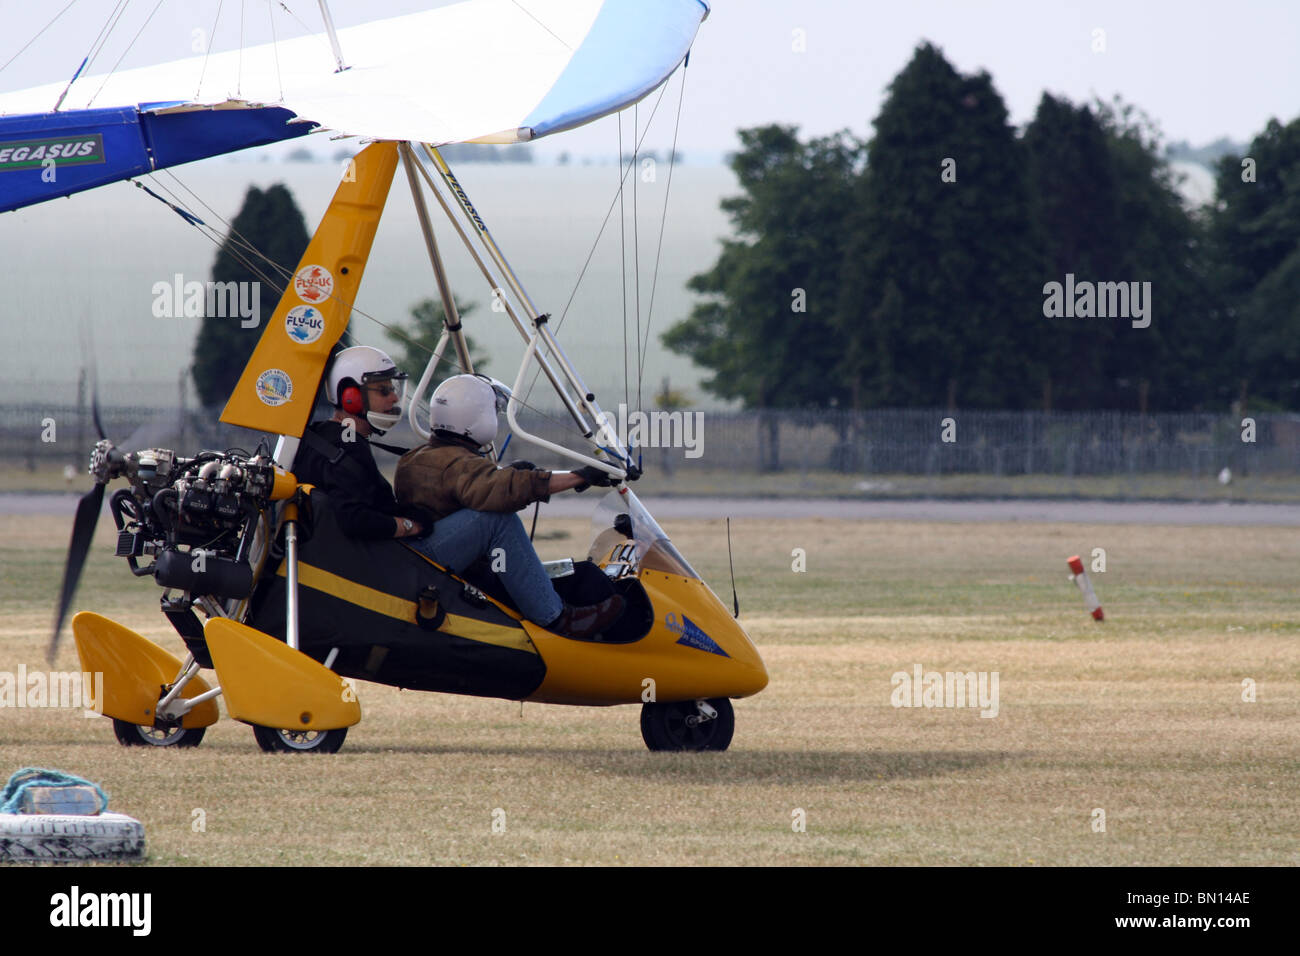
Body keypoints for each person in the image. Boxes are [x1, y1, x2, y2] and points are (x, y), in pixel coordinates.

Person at [395, 373, 624, 640]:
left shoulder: (418, 456)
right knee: (496, 520)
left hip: (421, 554)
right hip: (427, 561)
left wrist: (505, 473)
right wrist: (580, 476)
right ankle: (557, 618)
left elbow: (474, 486)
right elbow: (501, 489)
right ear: (475, 417)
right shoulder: (457, 463)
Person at [292, 345, 430, 541]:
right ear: (351, 397)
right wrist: (409, 526)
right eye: (383, 391)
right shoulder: (349, 448)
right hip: (374, 561)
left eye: (393, 389)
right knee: (485, 521)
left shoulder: (320, 434)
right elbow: (355, 519)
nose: (394, 398)